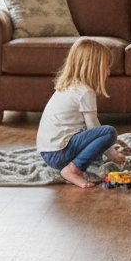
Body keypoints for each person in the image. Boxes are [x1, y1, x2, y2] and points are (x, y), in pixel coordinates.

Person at [37, 37, 125, 189]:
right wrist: (111, 153)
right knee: (108, 132)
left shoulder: (69, 86)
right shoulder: (85, 91)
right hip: (59, 154)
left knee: (88, 132)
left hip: (47, 152)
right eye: (106, 67)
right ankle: (73, 169)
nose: (109, 72)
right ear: (93, 67)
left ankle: (89, 162)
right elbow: (93, 127)